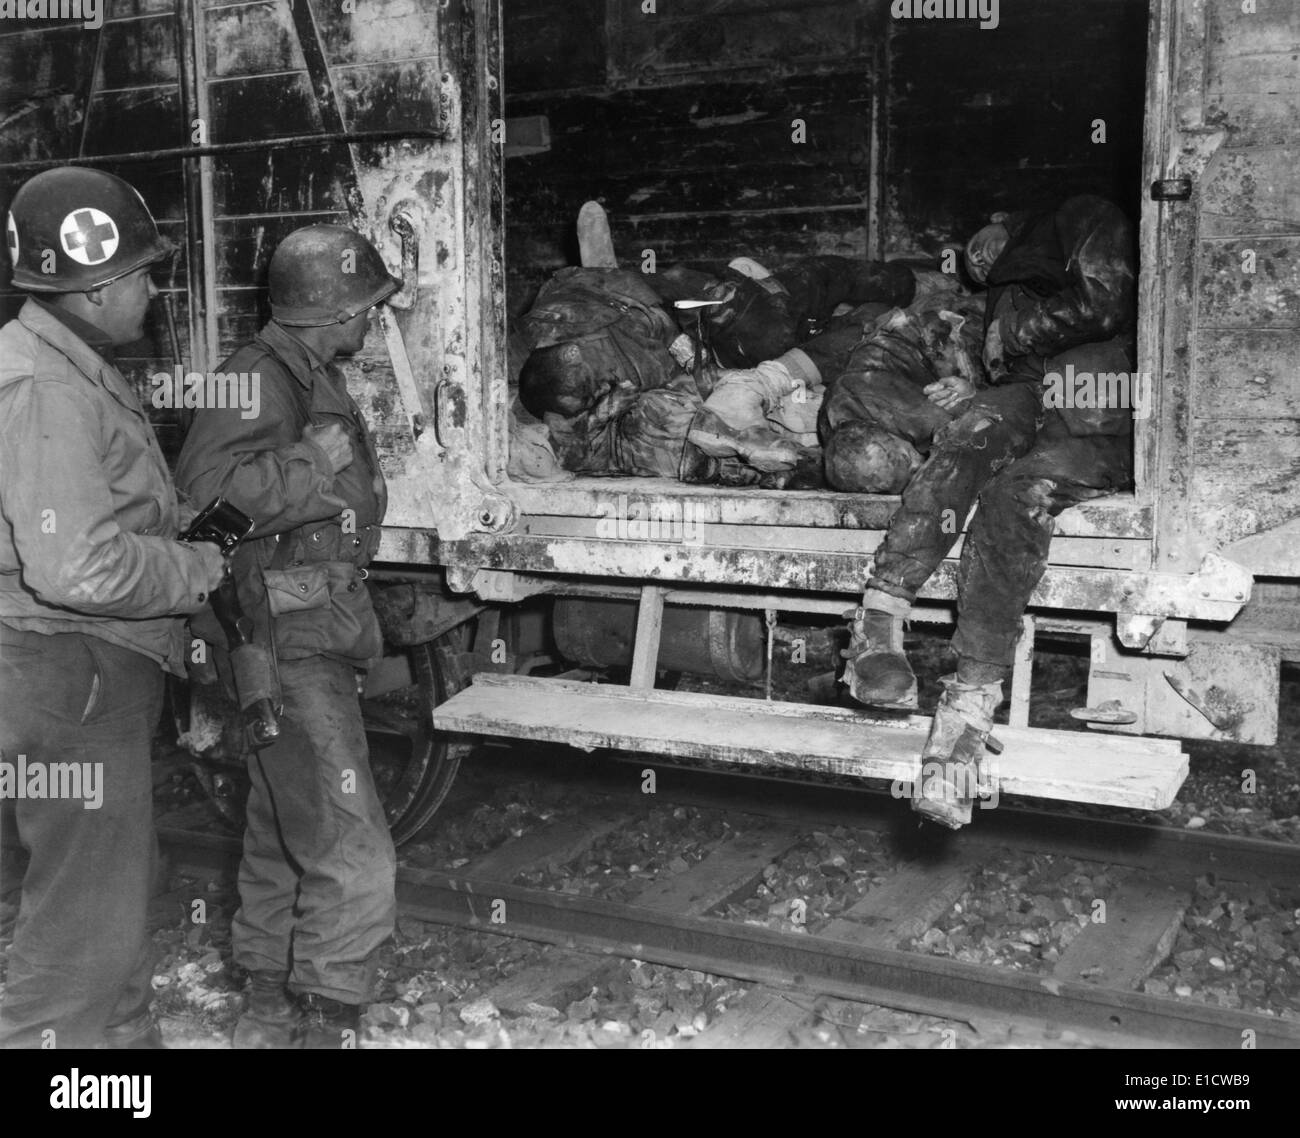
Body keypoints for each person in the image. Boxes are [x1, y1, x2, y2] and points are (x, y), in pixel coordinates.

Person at [0, 167, 226, 1048]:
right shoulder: (48, 389)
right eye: (142, 272)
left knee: (108, 891)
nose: (154, 287)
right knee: (81, 927)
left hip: (67, 672)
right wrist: (196, 569)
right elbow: (79, 568)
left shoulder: (60, 363)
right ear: (94, 287)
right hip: (70, 671)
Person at [841, 195, 1137, 828]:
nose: (977, 261)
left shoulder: (1079, 213)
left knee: (1015, 499)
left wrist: (1010, 334)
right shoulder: (1001, 289)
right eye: (971, 264)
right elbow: (1017, 370)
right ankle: (880, 621)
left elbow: (1106, 301)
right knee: (971, 432)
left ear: (1003, 218)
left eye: (982, 246)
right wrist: (980, 382)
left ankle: (967, 715)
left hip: (1101, 408)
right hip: (1036, 396)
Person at [176, 224, 401, 1048]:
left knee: (283, 821)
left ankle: (268, 1003)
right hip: (285, 637)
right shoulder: (257, 380)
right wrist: (311, 461)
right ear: (332, 311)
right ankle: (325, 1014)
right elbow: (204, 506)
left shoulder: (307, 373)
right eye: (368, 307)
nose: (373, 321)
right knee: (350, 839)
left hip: (311, 630)